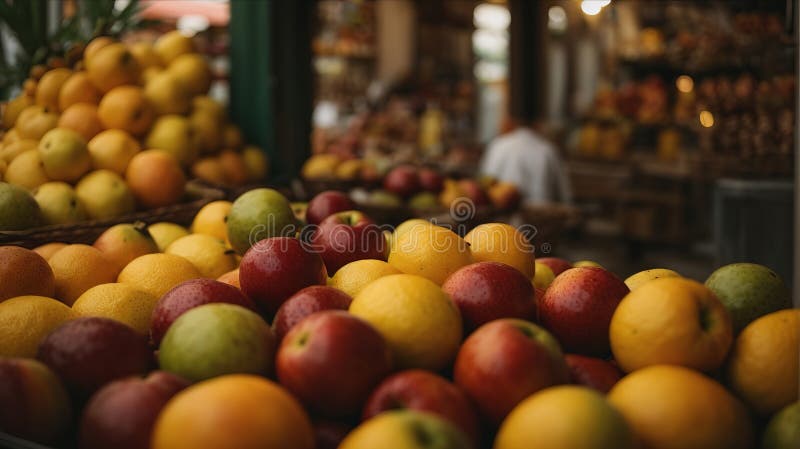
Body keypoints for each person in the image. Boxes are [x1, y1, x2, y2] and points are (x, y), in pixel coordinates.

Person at [480, 118, 572, 204]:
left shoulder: (498, 145)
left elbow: (485, 184)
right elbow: (565, 196)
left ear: (512, 121)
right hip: (541, 217)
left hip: (500, 216)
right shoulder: (549, 150)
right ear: (539, 123)